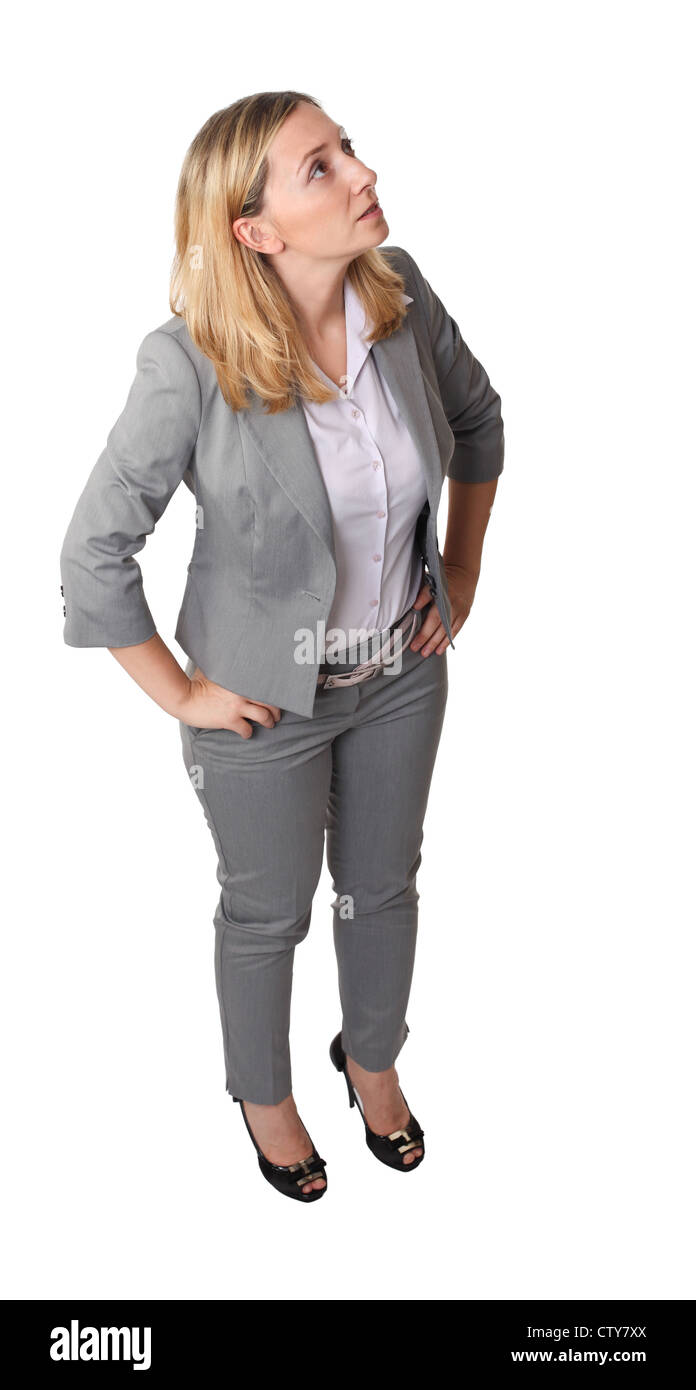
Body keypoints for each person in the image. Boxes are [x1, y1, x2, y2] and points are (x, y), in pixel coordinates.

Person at [59, 90, 504, 1203]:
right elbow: (93, 551)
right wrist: (181, 694)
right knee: (269, 910)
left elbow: (481, 421)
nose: (359, 172)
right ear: (253, 230)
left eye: (346, 148)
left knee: (384, 885)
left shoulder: (400, 300)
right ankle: (265, 1094)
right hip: (263, 698)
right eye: (320, 167)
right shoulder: (190, 362)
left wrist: (458, 572)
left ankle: (373, 1059)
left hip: (404, 673)